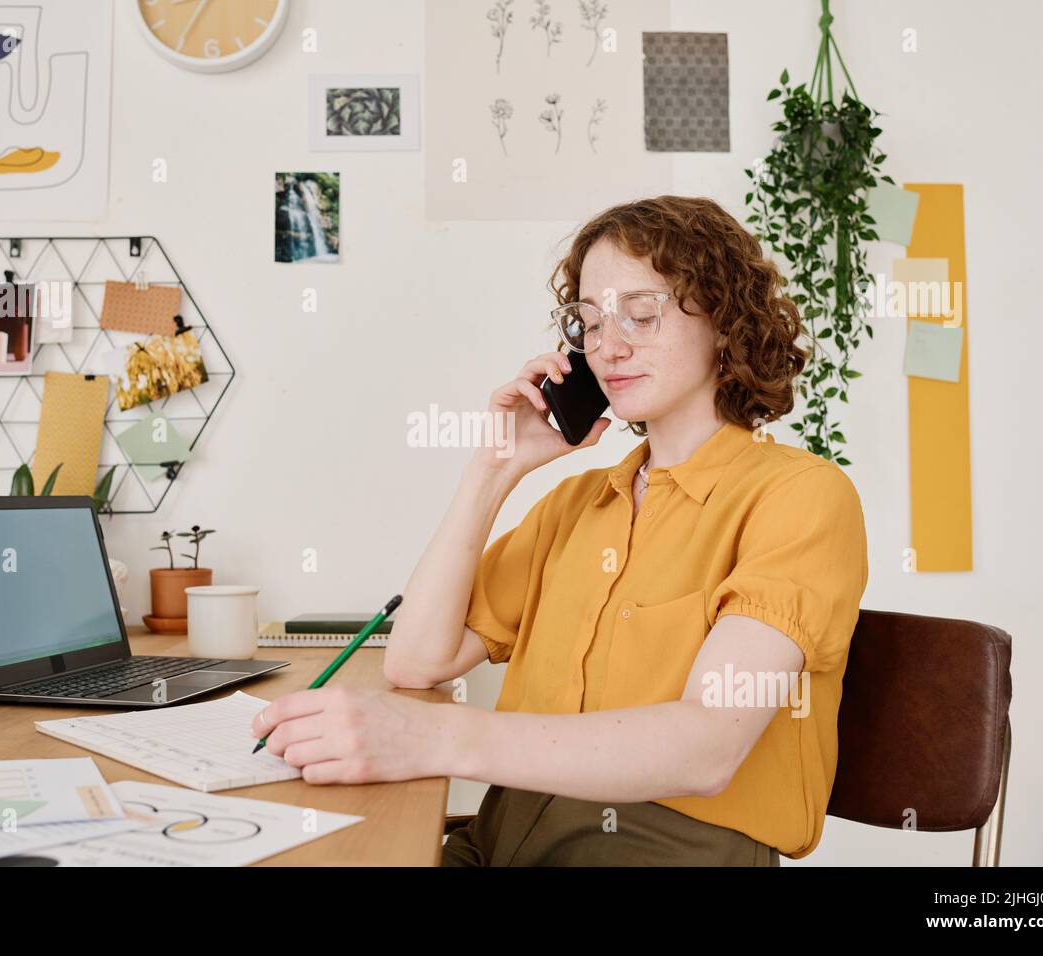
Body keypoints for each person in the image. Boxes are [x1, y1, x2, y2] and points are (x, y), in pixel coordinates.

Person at [250, 195, 868, 866]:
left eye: (640, 313)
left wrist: (435, 737)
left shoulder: (801, 498)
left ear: (725, 321)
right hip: (501, 836)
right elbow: (417, 660)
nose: (609, 346)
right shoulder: (578, 503)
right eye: (590, 321)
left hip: (661, 850)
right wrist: (493, 471)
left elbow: (707, 748)